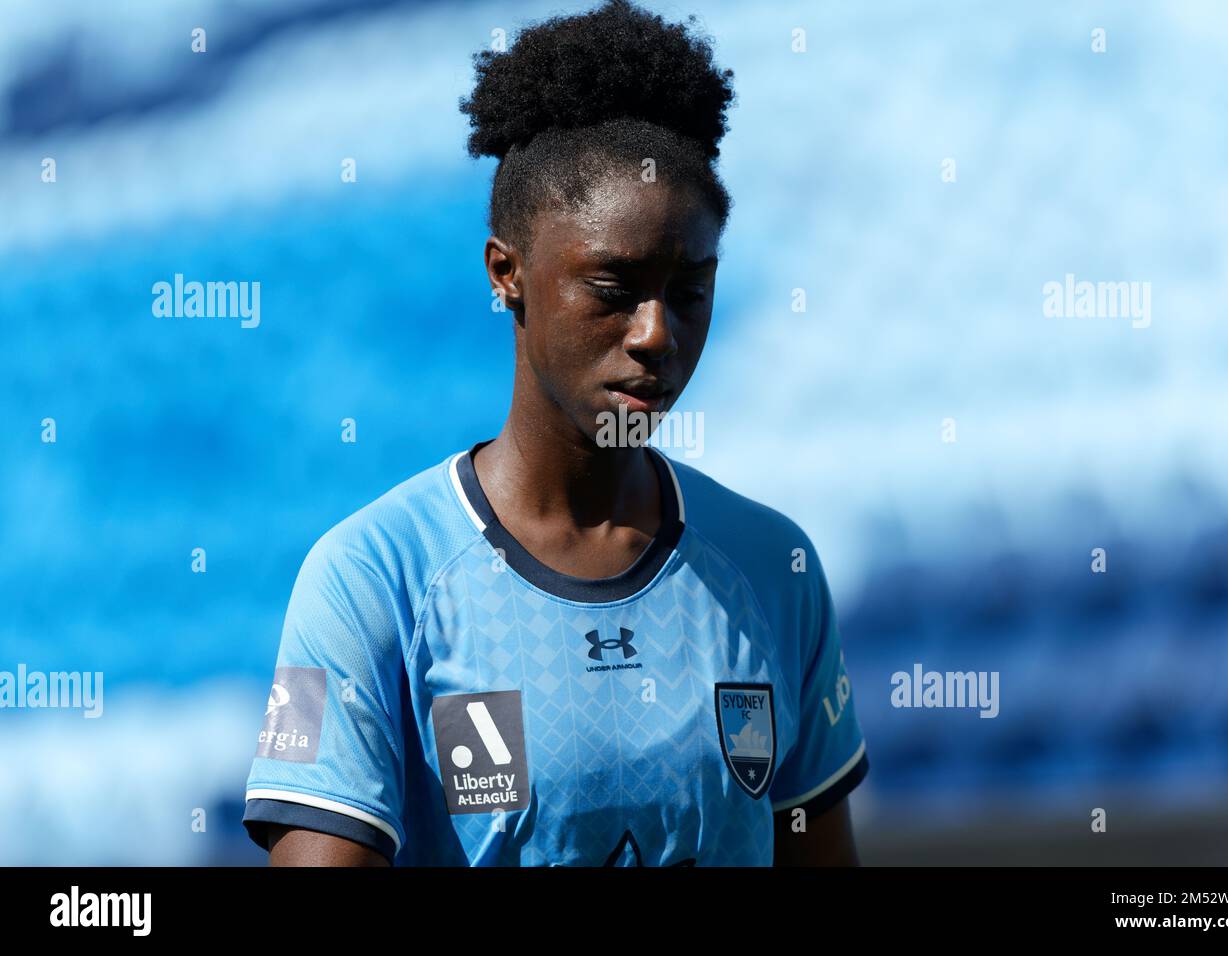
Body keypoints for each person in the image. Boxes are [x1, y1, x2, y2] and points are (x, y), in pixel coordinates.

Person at [242, 0, 867, 866]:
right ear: (508, 274)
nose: (656, 333)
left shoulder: (773, 566)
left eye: (688, 290)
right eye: (614, 288)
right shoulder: (370, 580)